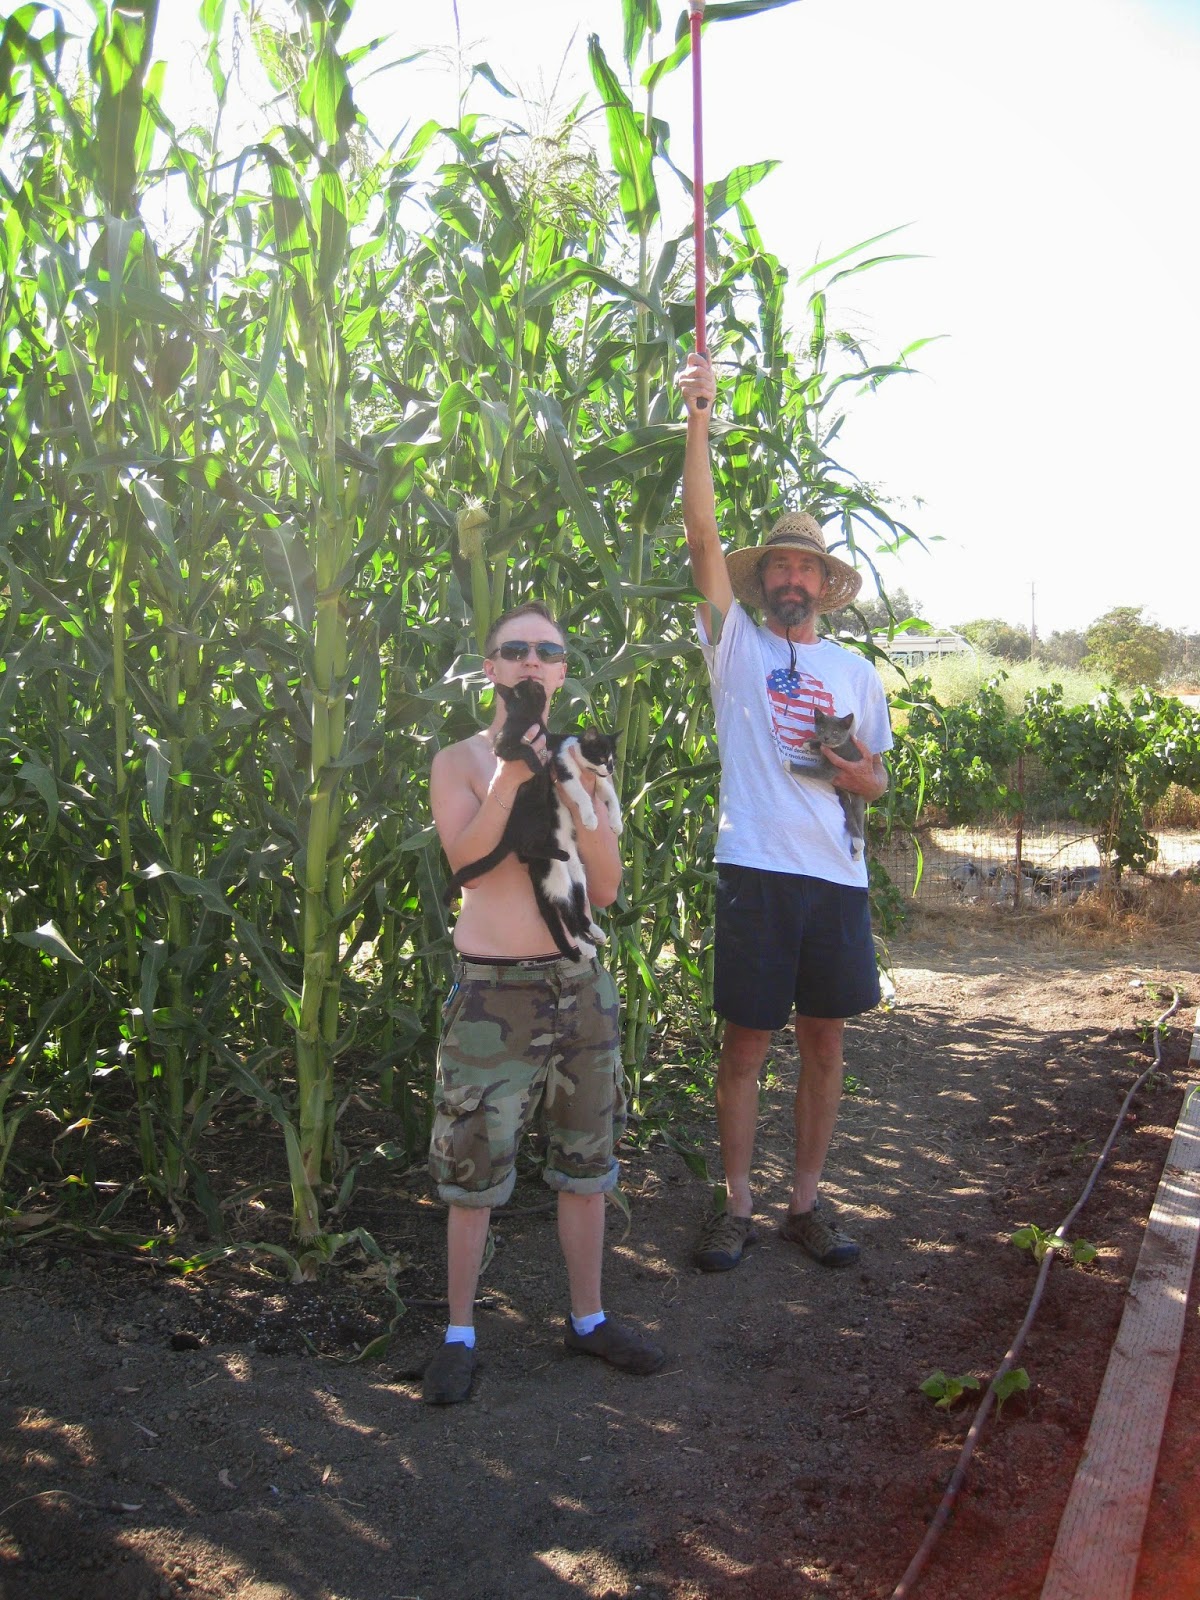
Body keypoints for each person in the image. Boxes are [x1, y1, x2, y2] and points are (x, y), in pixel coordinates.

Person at [677, 353, 893, 1274]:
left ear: (822, 582)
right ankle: (735, 1205)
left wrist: (856, 777)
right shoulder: (735, 646)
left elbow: (877, 782)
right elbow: (700, 534)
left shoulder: (856, 673)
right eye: (780, 565)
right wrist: (699, 416)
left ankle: (805, 1204)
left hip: (835, 878)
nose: (793, 578)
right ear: (763, 580)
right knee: (744, 1046)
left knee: (825, 1045)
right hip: (757, 869)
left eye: (806, 565)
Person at [422, 601, 665, 1404]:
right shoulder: (458, 762)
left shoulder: (579, 760)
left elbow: (607, 887)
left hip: (578, 986)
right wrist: (511, 774)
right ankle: (459, 1334)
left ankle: (588, 1319)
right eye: (516, 649)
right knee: (473, 1170)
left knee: (587, 1165)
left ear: (561, 673)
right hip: (493, 993)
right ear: (490, 667)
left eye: (549, 652)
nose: (533, 661)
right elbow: (467, 865)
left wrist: (581, 790)